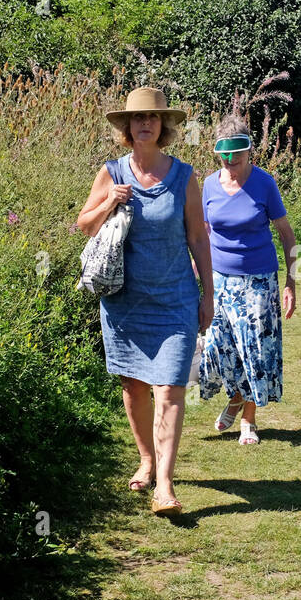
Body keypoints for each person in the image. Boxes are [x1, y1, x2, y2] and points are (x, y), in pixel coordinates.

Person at [77, 86, 214, 517]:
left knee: (170, 388)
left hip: (174, 300)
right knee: (134, 385)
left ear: (164, 127)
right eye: (137, 118)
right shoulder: (112, 172)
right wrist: (108, 204)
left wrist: (207, 294)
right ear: (126, 127)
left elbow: (197, 237)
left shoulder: (184, 176)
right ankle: (146, 459)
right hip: (125, 302)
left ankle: (166, 486)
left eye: (153, 118)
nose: (145, 124)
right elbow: (83, 226)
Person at [197, 114, 296, 444]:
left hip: (258, 281)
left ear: (249, 153)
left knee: (254, 350)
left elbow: (286, 234)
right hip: (220, 280)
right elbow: (204, 232)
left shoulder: (264, 183)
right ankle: (236, 396)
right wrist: (197, 276)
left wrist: (291, 282)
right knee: (217, 348)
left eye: (236, 161)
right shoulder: (209, 185)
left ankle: (249, 421)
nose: (231, 167)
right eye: (225, 160)